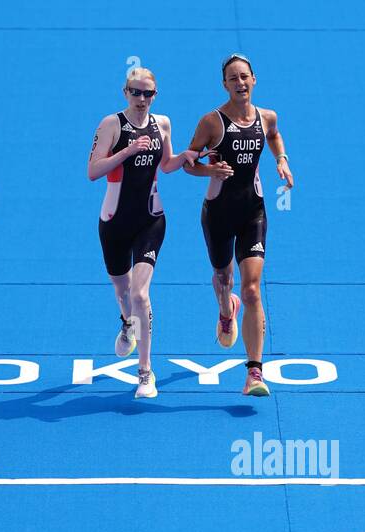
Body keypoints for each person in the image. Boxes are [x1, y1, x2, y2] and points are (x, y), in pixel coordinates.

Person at [183, 53, 293, 397]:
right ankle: (224, 309)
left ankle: (254, 372)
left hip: (252, 212)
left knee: (250, 289)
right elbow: (188, 161)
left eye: (244, 77)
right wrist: (208, 170)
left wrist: (282, 161)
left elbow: (273, 135)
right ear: (225, 85)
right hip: (217, 213)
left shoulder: (266, 117)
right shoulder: (212, 122)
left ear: (254, 79)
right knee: (223, 280)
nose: (240, 83)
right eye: (233, 79)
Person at [88, 67, 196, 399]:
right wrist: (128, 150)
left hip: (151, 220)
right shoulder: (111, 125)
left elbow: (165, 163)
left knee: (140, 295)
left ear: (155, 95)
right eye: (135, 92)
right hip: (114, 222)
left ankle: (145, 372)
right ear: (125, 92)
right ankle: (127, 324)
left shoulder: (162, 123)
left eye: (147, 93)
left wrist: (185, 158)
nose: (141, 99)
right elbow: (93, 170)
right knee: (123, 294)